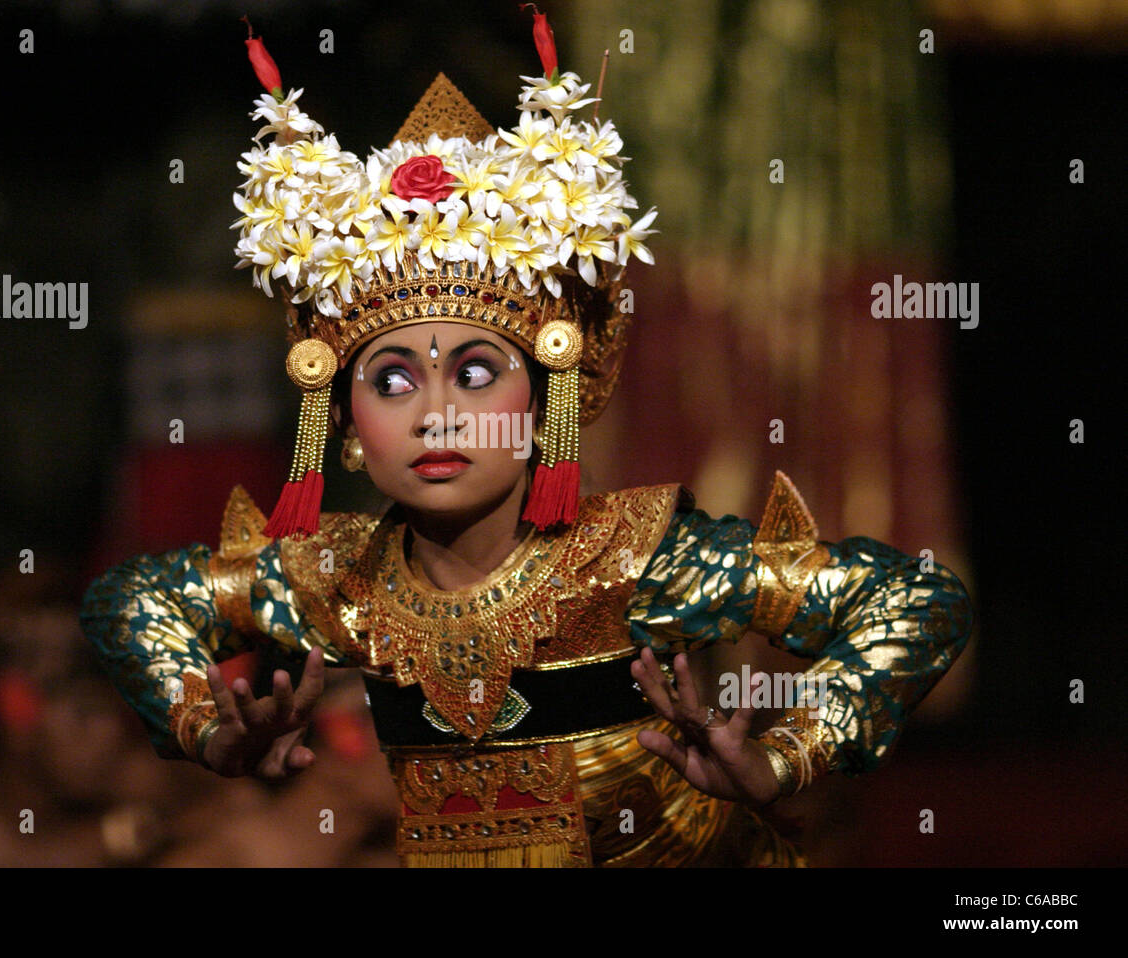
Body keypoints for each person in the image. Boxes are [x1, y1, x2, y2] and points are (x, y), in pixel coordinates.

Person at [81, 14, 972, 867]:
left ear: (549, 398)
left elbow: (918, 603)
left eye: (474, 374)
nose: (436, 413)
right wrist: (208, 730)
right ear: (343, 421)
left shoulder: (635, 562)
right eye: (391, 381)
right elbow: (129, 600)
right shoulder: (336, 581)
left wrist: (784, 757)